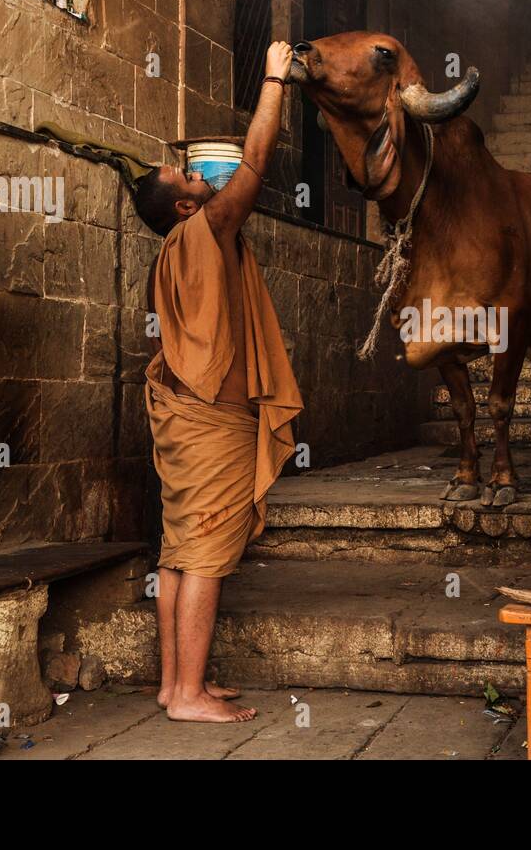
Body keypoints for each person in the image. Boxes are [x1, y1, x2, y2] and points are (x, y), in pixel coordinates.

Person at [132, 41, 303, 723]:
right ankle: (188, 697)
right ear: (182, 206)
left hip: (184, 422)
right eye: (188, 173)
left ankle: (175, 684)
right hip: (208, 423)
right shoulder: (205, 228)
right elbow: (255, 163)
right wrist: (272, 75)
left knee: (179, 554)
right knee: (201, 555)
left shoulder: (175, 249)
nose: (200, 174)